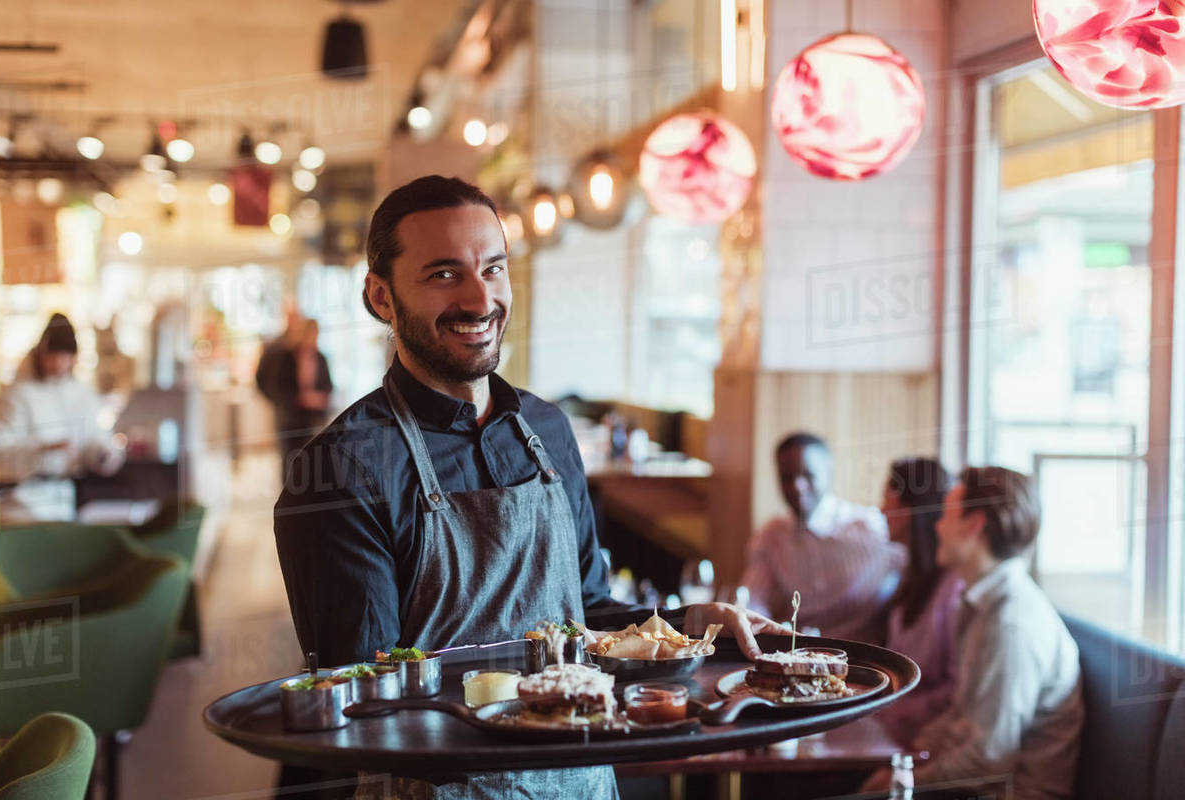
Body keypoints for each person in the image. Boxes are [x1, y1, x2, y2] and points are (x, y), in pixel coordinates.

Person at [273, 175, 788, 800]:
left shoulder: (548, 430)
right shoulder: (343, 468)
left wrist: (685, 626)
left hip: (582, 780)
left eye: (493, 268)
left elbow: (586, 618)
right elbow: (366, 698)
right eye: (442, 275)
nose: (478, 299)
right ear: (381, 297)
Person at [864, 467, 1083, 799]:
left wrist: (908, 782)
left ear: (974, 525)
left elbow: (989, 761)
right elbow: (962, 717)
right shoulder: (981, 603)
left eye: (948, 515)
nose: (937, 525)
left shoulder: (1012, 623)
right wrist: (906, 762)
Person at [741, 432, 905, 642]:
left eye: (808, 475)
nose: (797, 487)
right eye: (786, 477)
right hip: (797, 654)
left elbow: (918, 574)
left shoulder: (870, 528)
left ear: (829, 472)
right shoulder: (771, 536)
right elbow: (752, 601)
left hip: (863, 659)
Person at [0, 313, 125, 524]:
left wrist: (103, 454)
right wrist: (45, 449)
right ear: (40, 354)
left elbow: (94, 438)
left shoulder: (81, 393)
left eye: (65, 356)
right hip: (22, 505)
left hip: (64, 502)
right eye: (53, 356)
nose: (58, 363)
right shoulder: (17, 394)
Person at [874, 457, 960, 744]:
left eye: (888, 500)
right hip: (895, 732)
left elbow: (956, 691)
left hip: (925, 742)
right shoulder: (908, 575)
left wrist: (891, 710)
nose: (881, 509)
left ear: (909, 510)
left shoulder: (953, 590)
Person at [257, 317, 332, 481]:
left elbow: (328, 386)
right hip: (290, 419)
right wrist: (299, 399)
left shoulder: (321, 358)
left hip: (314, 419)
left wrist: (318, 399)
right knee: (290, 461)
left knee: (314, 461)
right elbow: (276, 387)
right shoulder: (285, 357)